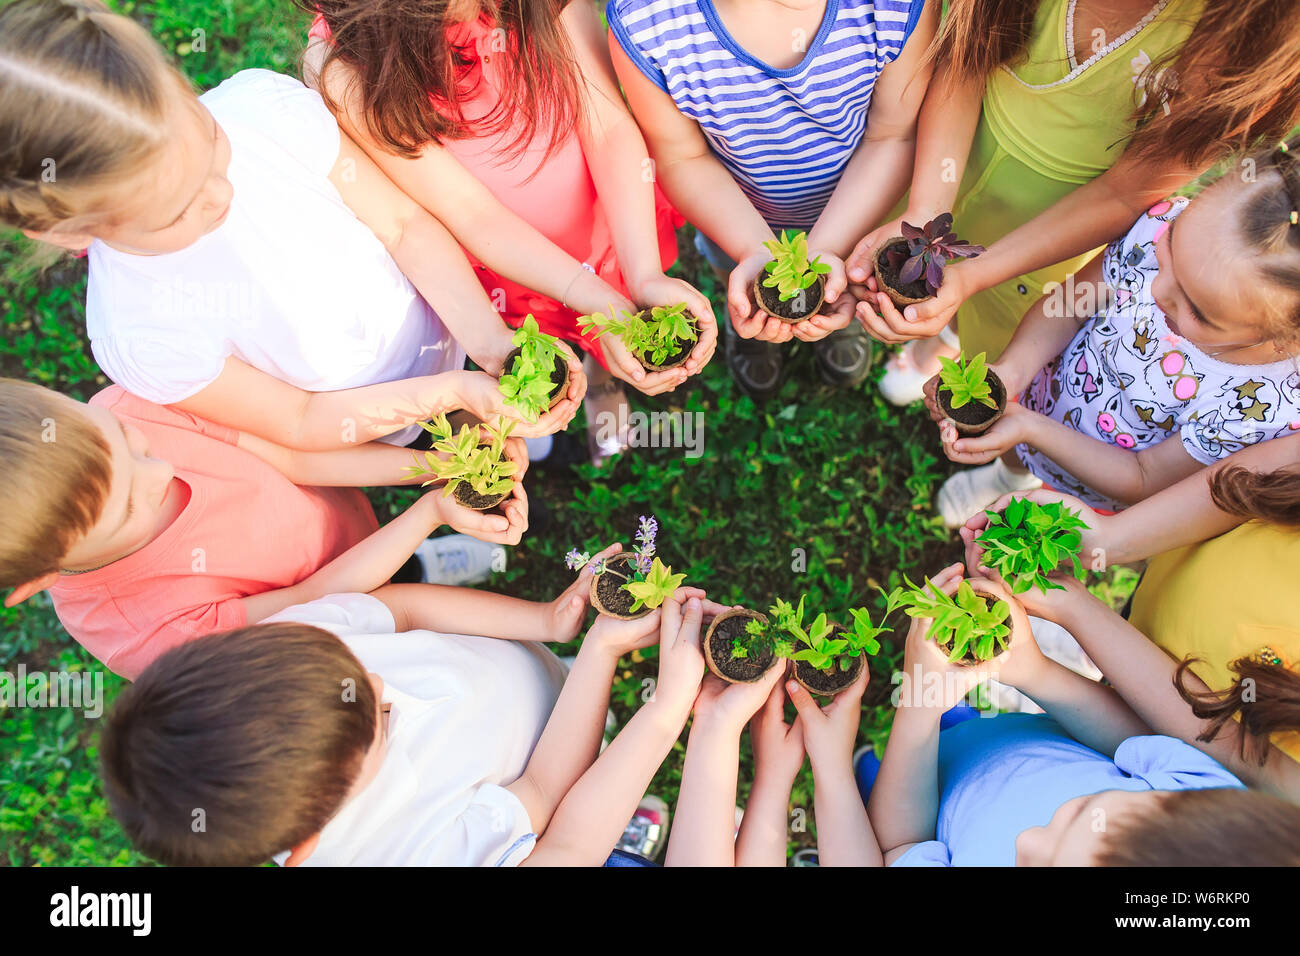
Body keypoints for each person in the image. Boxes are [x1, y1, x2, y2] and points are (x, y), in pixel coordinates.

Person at [0, 0, 584, 454]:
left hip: (453, 318)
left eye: (210, 142)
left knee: (515, 422)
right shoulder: (141, 333)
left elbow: (405, 227)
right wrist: (450, 402)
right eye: (179, 210)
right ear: (69, 232)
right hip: (378, 420)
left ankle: (526, 432)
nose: (221, 193)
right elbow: (301, 423)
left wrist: (490, 346)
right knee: (477, 444)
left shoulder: (259, 112)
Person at [301, 0, 715, 460]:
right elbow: (471, 211)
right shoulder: (349, 69)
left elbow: (607, 126)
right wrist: (593, 296)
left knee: (617, 312)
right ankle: (583, 363)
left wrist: (642, 275)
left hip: (606, 218)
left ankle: (601, 377)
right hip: (510, 261)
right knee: (556, 327)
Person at [100, 565, 718, 867]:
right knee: (598, 807)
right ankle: (626, 815)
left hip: (553, 694)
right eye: (375, 717)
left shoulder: (280, 653)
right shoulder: (405, 852)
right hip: (551, 782)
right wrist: (619, 670)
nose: (373, 677)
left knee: (596, 755)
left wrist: (548, 624)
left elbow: (400, 612)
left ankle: (619, 778)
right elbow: (551, 804)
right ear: (312, 831)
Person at [849, 0, 1300, 409]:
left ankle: (950, 336)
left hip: (1052, 233)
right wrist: (926, 207)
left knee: (992, 313)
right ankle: (938, 338)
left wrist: (971, 279)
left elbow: (1124, 192)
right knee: (929, 275)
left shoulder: (1242, 41)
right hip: (950, 157)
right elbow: (966, 60)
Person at [0, 378, 529, 679]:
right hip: (334, 604)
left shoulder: (135, 403)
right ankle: (438, 581)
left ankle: (426, 560)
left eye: (130, 442)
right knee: (405, 613)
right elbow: (314, 598)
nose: (163, 470)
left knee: (397, 562)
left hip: (347, 521)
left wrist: (445, 466)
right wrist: (430, 512)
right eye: (132, 507)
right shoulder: (147, 636)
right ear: (40, 576)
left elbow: (300, 462)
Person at [925, 139, 1300, 523]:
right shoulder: (1159, 228)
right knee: (1013, 449)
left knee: (1054, 506)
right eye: (1166, 250)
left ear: (1289, 337)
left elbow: (1143, 475)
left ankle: (1030, 488)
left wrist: (1029, 429)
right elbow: (1069, 307)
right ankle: (1009, 475)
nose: (1155, 290)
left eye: (1197, 311)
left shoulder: (1261, 406)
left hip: (1097, 484)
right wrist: (1012, 374)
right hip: (1040, 398)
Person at [608, 0, 937, 400]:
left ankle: (837, 295)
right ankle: (750, 316)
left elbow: (892, 135)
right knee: (736, 274)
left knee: (843, 276)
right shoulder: (650, 25)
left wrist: (827, 249)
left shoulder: (892, 8)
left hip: (855, 208)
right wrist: (751, 248)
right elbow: (682, 157)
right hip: (734, 217)